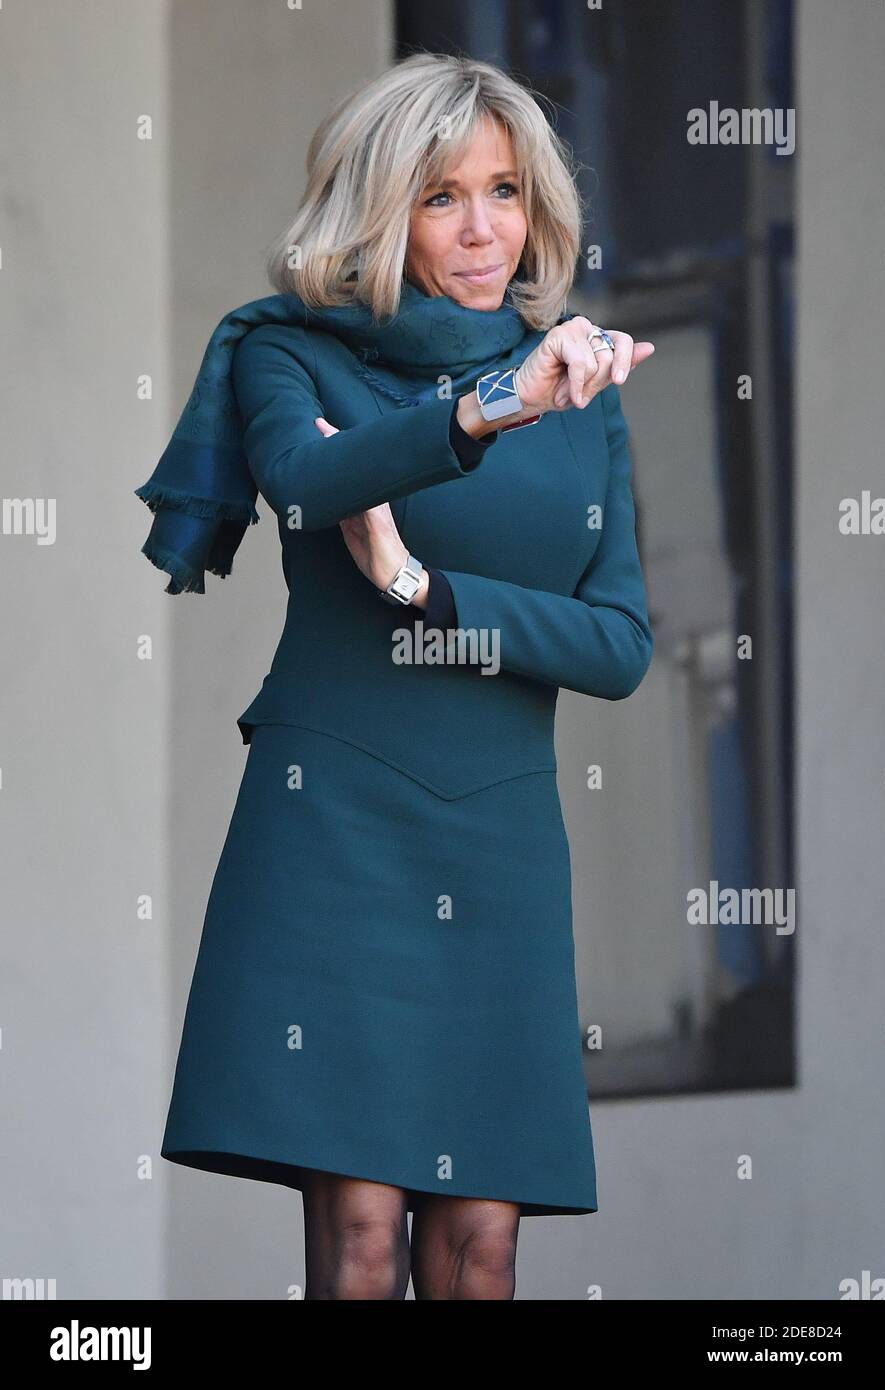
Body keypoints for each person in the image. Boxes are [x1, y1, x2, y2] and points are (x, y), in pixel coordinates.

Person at [137, 51, 655, 1300]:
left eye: (504, 191)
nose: (482, 229)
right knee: (361, 1242)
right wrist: (485, 408)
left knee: (481, 1250)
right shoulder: (287, 353)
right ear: (378, 210)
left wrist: (430, 591)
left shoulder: (585, 399)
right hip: (336, 823)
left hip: (499, 838)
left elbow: (623, 645)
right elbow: (313, 484)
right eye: (438, 197)